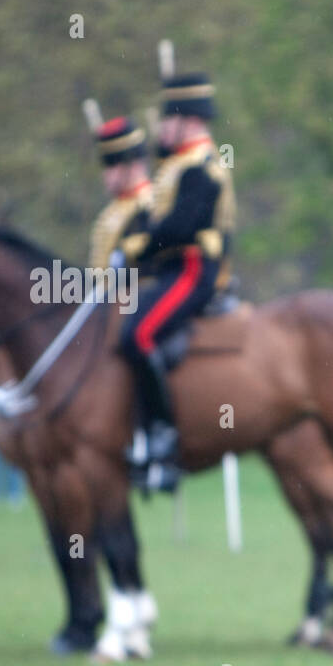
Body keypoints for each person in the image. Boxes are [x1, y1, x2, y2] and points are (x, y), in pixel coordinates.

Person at [118, 70, 235, 493]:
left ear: (187, 120)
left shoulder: (201, 167)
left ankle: (164, 435)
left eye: (168, 119)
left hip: (193, 269)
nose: (161, 127)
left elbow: (181, 228)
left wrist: (137, 249)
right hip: (171, 268)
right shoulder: (177, 166)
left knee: (139, 335)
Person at [87, 113, 152, 269]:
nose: (106, 174)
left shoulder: (149, 205)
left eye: (112, 166)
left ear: (132, 164)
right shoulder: (112, 211)